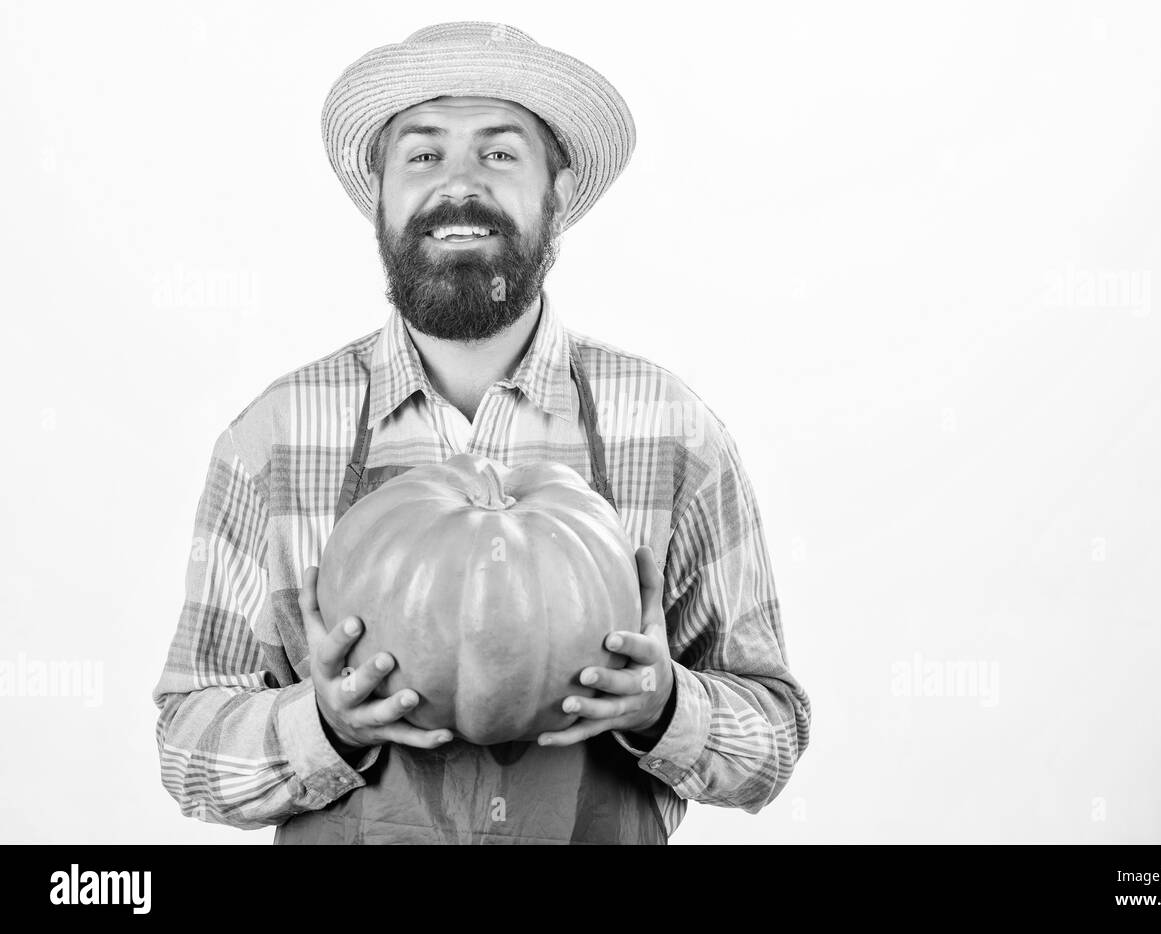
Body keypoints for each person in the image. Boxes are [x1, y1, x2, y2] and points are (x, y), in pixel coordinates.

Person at [152, 21, 811, 844]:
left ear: (557, 196)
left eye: (499, 154)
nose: (457, 186)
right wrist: (322, 726)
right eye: (422, 155)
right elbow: (186, 748)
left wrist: (667, 707)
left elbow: (774, 740)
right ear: (380, 195)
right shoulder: (275, 440)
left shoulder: (671, 429)